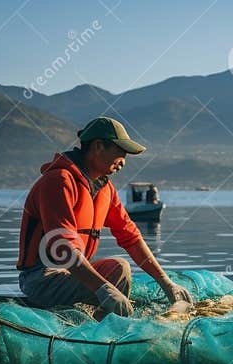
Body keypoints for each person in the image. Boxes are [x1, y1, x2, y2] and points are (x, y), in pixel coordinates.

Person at [16, 117, 192, 318]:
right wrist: (104, 290)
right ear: (98, 146)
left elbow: (131, 237)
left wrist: (167, 283)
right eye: (121, 152)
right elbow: (62, 248)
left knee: (120, 267)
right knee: (113, 291)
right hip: (43, 279)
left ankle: (102, 322)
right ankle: (103, 328)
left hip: (72, 275)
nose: (123, 162)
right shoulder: (58, 181)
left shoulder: (104, 188)